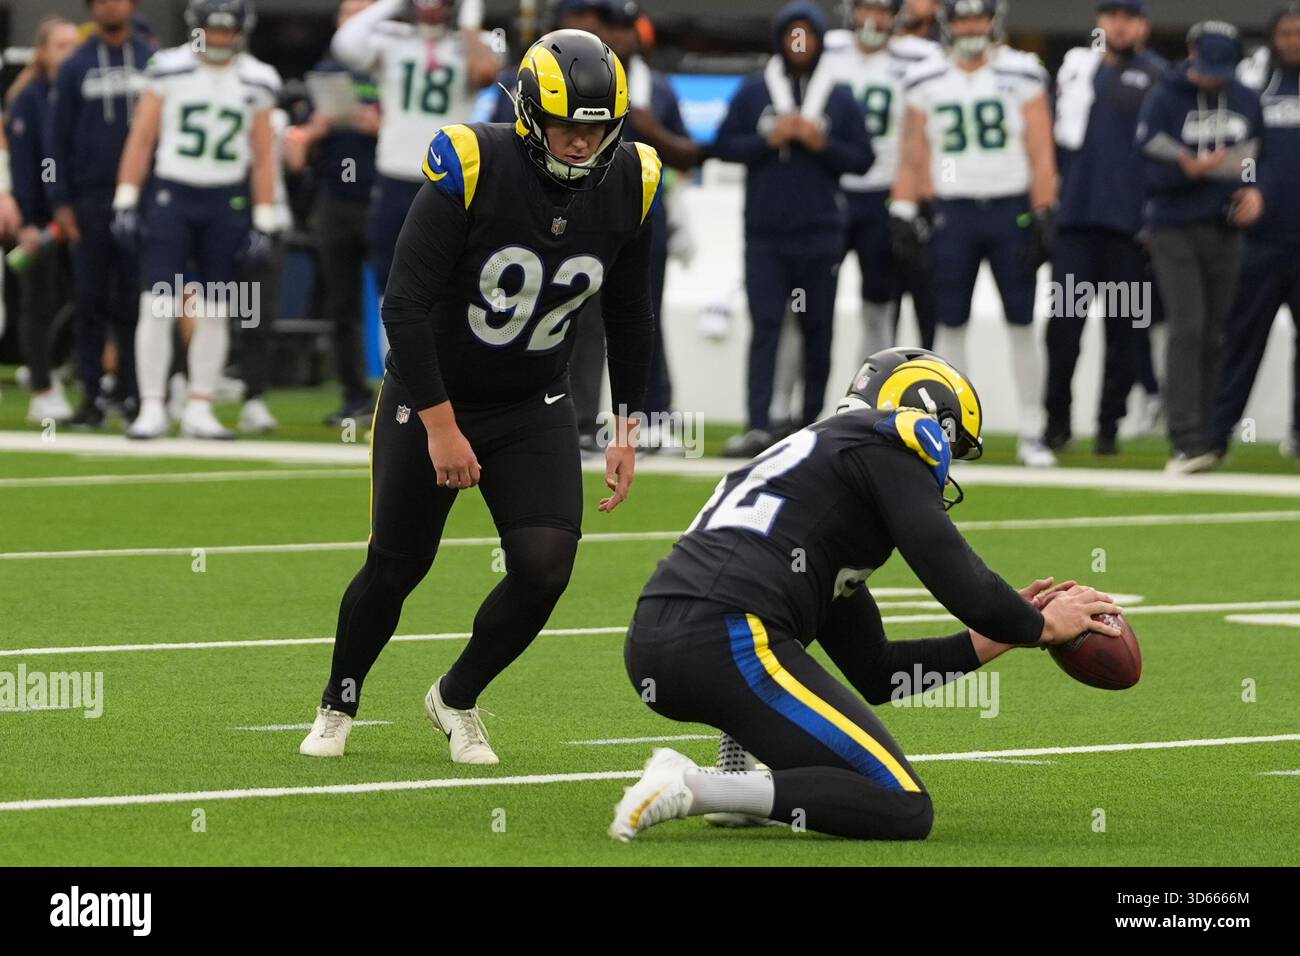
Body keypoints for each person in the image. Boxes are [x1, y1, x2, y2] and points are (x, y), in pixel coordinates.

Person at [299, 30, 660, 766]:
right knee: (397, 564)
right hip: (433, 392)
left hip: (533, 400)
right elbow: (402, 305)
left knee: (546, 564)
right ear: (530, 116)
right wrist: (440, 428)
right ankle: (339, 698)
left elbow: (628, 312)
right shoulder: (473, 164)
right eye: (567, 125)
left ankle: (456, 697)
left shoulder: (635, 180)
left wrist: (626, 425)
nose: (583, 142)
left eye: (597, 127)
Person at [611, 348, 1124, 841]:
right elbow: (954, 572)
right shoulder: (894, 436)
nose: (949, 467)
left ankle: (736, 768)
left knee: (784, 632)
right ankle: (694, 786)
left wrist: (998, 637)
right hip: (730, 637)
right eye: (955, 446)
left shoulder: (819, 478)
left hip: (658, 640)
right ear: (930, 417)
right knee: (903, 805)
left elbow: (877, 672)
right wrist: (1042, 625)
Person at [891, 0, 1059, 468]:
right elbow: (913, 151)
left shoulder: (1022, 72)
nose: (970, 27)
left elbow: (1041, 148)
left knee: (1023, 321)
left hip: (1009, 210)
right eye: (962, 18)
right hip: (953, 212)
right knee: (949, 323)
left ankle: (1032, 429)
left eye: (977, 17)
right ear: (949, 25)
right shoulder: (926, 78)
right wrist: (904, 209)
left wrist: (1044, 210)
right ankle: (948, 430)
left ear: (993, 22)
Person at [713, 0, 874, 460]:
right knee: (765, 326)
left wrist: (822, 144)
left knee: (816, 328)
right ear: (781, 40)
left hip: (821, 232)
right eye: (792, 36)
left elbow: (861, 157)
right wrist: (769, 139)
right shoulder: (753, 91)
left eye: (808, 37)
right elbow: (722, 145)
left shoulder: (838, 97)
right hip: (764, 233)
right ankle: (760, 423)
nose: (800, 45)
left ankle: (812, 423)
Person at [114, 0, 281, 440]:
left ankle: (200, 406)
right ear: (196, 29)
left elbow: (264, 156)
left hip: (227, 199)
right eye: (214, 29)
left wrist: (264, 219)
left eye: (228, 31)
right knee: (158, 302)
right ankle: (152, 406)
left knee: (217, 306)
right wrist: (126, 198)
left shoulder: (258, 78)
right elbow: (142, 138)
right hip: (173, 193)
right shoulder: (168, 68)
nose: (221, 39)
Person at [1137, 20, 1264, 474]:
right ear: (1190, 55)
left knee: (1216, 331)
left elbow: (1255, 160)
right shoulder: (1163, 99)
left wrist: (1252, 190)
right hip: (1173, 226)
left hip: (1225, 227)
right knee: (1187, 327)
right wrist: (1187, 170)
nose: (1212, 76)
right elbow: (1147, 169)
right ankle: (1185, 437)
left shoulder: (1246, 99)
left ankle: (1211, 434)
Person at [1044, 0, 1167, 456]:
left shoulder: (1157, 77)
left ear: (1143, 25)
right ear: (1100, 22)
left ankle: (1108, 427)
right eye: (1111, 16)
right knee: (1063, 331)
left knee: (1123, 333)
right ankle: (1056, 421)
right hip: (1074, 226)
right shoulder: (1077, 71)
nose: (1119, 25)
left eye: (1128, 17)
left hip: (1127, 232)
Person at [330, 0, 502, 293]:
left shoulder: (481, 41)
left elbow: (485, 73)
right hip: (395, 173)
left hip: (449, 179)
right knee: (390, 275)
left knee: (450, 276)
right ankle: (391, 340)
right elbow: (344, 42)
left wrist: (470, 21)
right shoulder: (392, 37)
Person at [46, 0, 154, 427]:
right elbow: (54, 141)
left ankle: (134, 395)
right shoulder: (75, 66)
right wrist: (60, 201)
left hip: (143, 199)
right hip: (89, 198)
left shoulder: (152, 61)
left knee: (137, 301)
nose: (112, 5)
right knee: (88, 300)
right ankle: (91, 396)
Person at [1208, 3, 1300, 463]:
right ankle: (1214, 436)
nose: (1292, 41)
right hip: (1261, 240)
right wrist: (1245, 188)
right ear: (1272, 37)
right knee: (1243, 339)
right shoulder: (1252, 83)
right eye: (1284, 33)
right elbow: (1233, 146)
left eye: (1298, 33)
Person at [827, 0, 940, 359]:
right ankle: (791, 407)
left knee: (879, 300)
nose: (873, 19)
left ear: (895, 16)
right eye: (866, 8)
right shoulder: (827, 48)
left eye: (882, 10)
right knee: (808, 303)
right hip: (829, 192)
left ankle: (873, 392)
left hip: (885, 195)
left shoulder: (921, 58)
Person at [286, 0, 381, 428]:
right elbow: (295, 154)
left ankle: (409, 398)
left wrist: (382, 125)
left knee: (404, 301)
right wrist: (312, 131)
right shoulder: (325, 71)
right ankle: (353, 394)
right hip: (336, 199)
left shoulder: (390, 63)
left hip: (385, 196)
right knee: (340, 304)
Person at [7, 16, 82, 425]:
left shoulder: (77, 93)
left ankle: (68, 370)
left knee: (86, 299)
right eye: (62, 46)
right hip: (40, 217)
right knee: (39, 301)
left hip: (77, 215)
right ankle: (41, 386)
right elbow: (36, 164)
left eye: (76, 45)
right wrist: (31, 214)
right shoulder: (30, 99)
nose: (71, 54)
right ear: (43, 52)